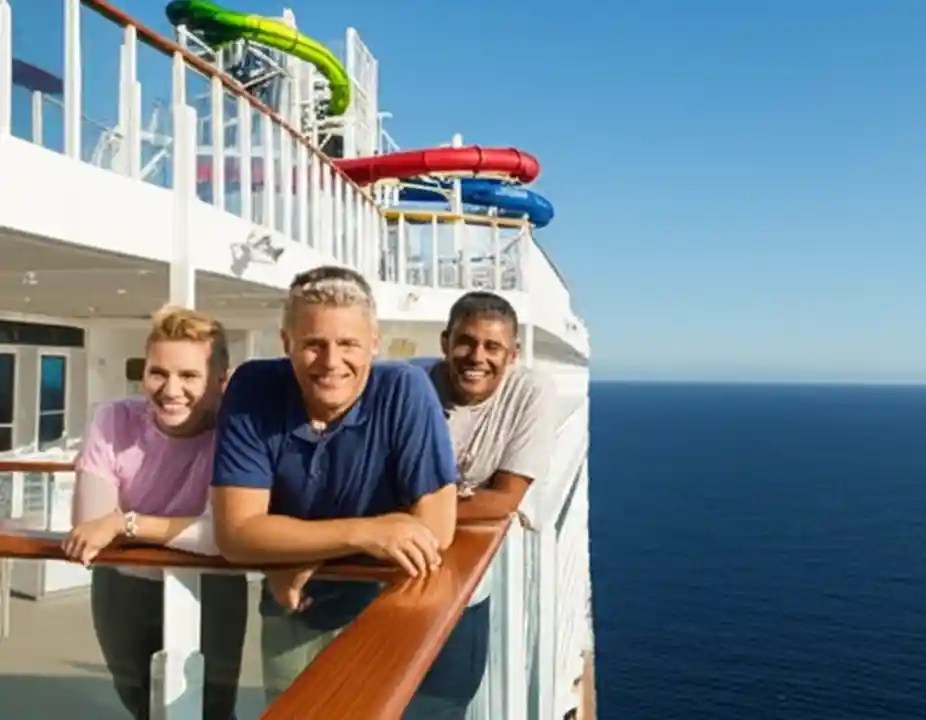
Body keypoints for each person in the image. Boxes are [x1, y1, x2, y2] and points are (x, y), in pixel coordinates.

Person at [208, 265, 459, 707]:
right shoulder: (254, 389)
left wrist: (299, 549)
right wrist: (370, 531)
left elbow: (434, 530)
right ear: (286, 343)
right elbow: (236, 534)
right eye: (313, 345)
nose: (331, 362)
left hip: (393, 604)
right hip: (295, 608)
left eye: (348, 344)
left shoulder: (405, 391)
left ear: (374, 344)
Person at [63, 306, 247, 720]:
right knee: (142, 704)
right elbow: (89, 523)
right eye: (158, 373)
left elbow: (226, 535)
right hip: (123, 586)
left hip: (212, 588)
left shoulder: (236, 433)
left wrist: (124, 523)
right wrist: (186, 530)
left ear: (220, 382)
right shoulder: (115, 420)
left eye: (189, 376)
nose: (171, 389)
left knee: (213, 709)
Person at [408, 290, 558, 717]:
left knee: (442, 703)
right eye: (466, 341)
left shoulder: (531, 392)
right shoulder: (412, 383)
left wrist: (409, 508)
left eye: (492, 347)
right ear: (444, 342)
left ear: (512, 355)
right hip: (388, 573)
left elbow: (505, 499)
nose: (477, 356)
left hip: (464, 581)